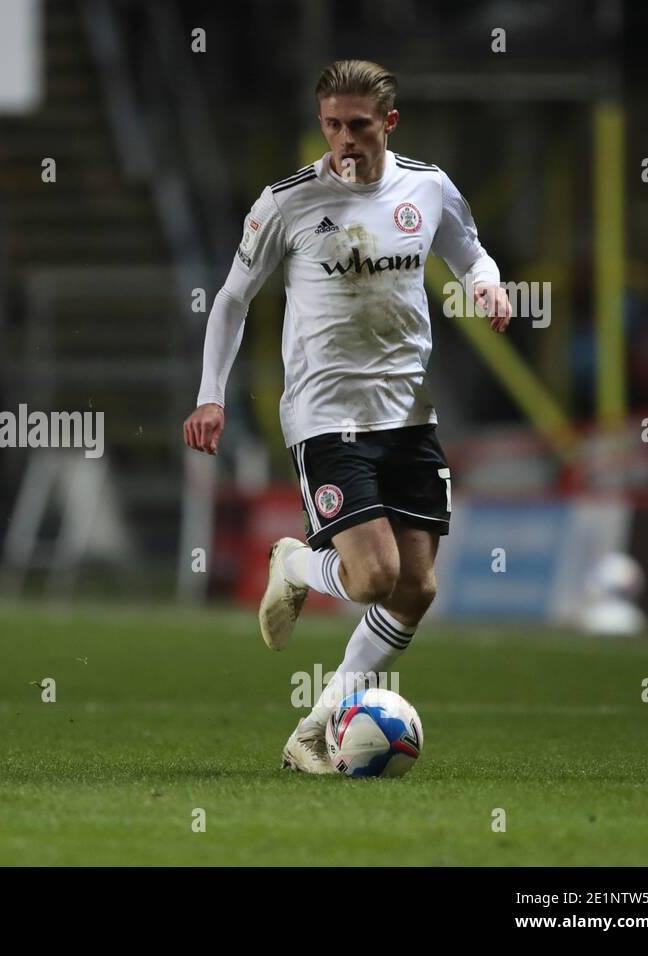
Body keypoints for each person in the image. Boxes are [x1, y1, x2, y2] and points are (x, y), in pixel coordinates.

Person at [183, 59, 512, 773]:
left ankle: (317, 725)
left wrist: (488, 287)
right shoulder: (289, 201)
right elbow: (233, 298)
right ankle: (297, 563)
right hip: (327, 417)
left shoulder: (427, 188)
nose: (344, 140)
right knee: (370, 577)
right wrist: (211, 393)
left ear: (387, 123)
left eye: (358, 125)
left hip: (409, 415)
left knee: (416, 588)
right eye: (331, 125)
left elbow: (471, 255)